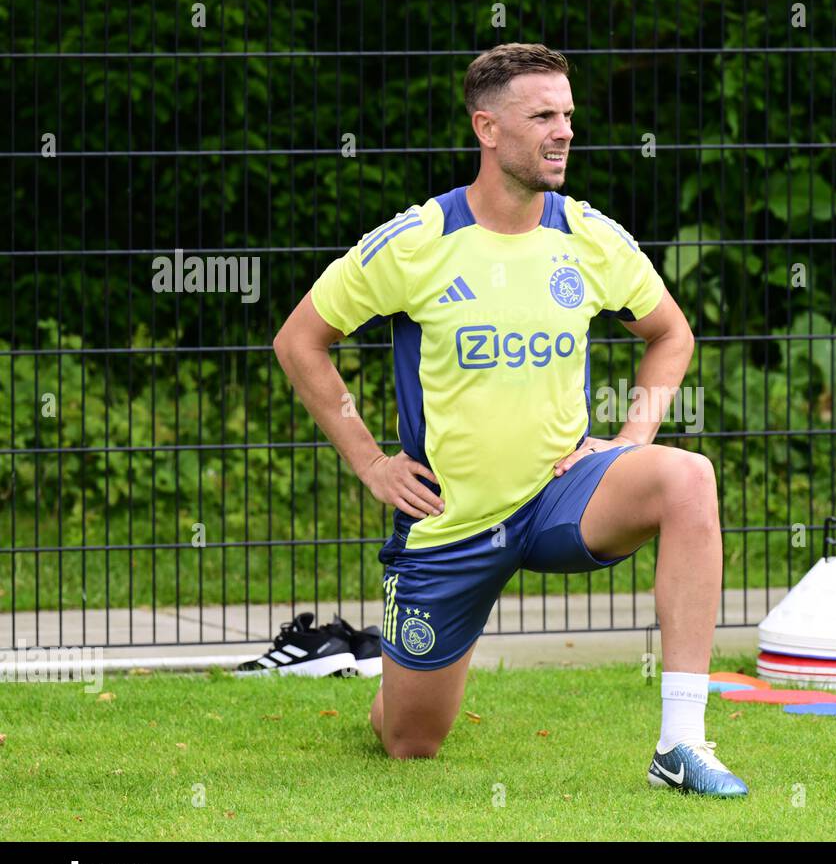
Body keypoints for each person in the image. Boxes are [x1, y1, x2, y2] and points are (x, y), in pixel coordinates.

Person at [272, 43, 747, 796]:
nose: (563, 132)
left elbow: (671, 334)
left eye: (567, 116)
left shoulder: (589, 236)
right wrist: (370, 462)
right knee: (411, 744)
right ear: (487, 128)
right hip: (449, 523)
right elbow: (300, 341)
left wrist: (631, 440)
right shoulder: (418, 241)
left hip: (562, 494)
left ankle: (680, 743)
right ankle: (397, 682)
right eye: (542, 117)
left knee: (689, 479)